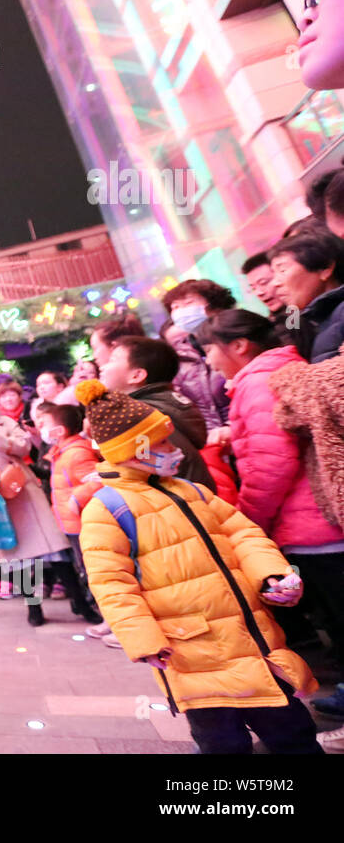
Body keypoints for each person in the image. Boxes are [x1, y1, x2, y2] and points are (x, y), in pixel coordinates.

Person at [75, 379, 322, 754]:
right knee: (221, 742)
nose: (172, 451)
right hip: (191, 652)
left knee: (292, 731)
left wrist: (270, 573)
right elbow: (112, 582)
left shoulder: (191, 490)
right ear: (133, 449)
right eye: (161, 444)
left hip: (253, 641)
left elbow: (244, 536)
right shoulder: (107, 509)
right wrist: (143, 639)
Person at [197, 310, 344, 665]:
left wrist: (250, 518)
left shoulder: (259, 382)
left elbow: (272, 461)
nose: (208, 360)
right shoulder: (273, 371)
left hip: (311, 525)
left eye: (209, 349)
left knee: (337, 614)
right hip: (313, 522)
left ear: (239, 345)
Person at [0, 379, 74, 624]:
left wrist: (0, 439)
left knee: (55, 548)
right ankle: (33, 608)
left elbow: (24, 447)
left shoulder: (6, 422)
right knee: (16, 557)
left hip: (25, 490)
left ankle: (79, 601)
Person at [98, 336, 217, 491]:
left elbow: (142, 472)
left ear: (137, 375)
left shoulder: (142, 419)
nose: (102, 367)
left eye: (112, 360)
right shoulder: (162, 407)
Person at [34, 402, 109, 638]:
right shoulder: (62, 453)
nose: (41, 428)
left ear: (61, 430)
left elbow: (98, 480)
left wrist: (77, 499)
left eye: (45, 424)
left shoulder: (77, 454)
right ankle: (110, 617)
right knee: (90, 571)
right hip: (73, 524)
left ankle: (114, 620)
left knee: (98, 572)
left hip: (85, 522)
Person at [268, 231, 344, 363]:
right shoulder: (297, 313)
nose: (275, 284)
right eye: (252, 286)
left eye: (283, 270)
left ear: (325, 268)